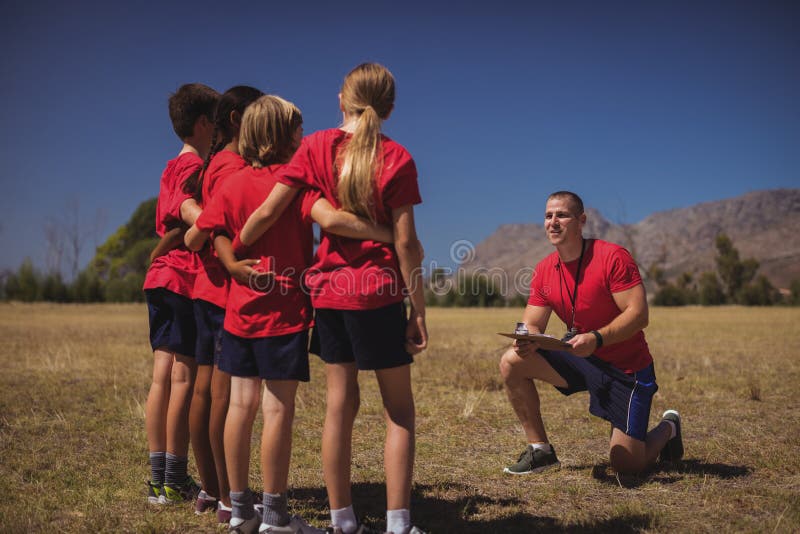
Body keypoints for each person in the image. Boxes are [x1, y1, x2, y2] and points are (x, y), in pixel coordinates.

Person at [185, 94, 395, 534]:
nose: (304, 136)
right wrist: (386, 232)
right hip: (284, 315)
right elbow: (333, 221)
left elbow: (203, 235)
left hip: (239, 314)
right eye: (298, 129)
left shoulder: (231, 184)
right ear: (284, 136)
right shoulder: (296, 183)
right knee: (278, 410)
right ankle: (276, 516)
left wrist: (232, 264)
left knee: (240, 406)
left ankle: (239, 510)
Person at [237, 63, 427, 534]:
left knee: (339, 408)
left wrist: (239, 242)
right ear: (389, 108)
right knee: (399, 412)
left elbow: (269, 209)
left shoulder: (315, 146)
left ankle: (343, 522)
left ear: (341, 101)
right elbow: (405, 243)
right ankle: (398, 525)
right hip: (380, 295)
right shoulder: (397, 157)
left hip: (329, 295)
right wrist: (418, 310)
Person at [499, 191, 683, 476]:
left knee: (627, 465)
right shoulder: (545, 269)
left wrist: (597, 338)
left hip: (626, 368)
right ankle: (541, 452)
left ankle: (669, 428)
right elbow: (533, 323)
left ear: (581, 220)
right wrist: (526, 339)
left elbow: (639, 315)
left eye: (562, 215)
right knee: (511, 360)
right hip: (581, 358)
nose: (553, 222)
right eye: (548, 216)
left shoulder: (612, 257)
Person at [185, 86, 265, 521]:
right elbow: (209, 229)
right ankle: (227, 497)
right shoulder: (233, 168)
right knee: (220, 395)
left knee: (204, 390)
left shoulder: (215, 163)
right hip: (221, 291)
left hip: (203, 288)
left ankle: (210, 490)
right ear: (237, 119)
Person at [142, 82, 219, 504]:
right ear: (205, 123)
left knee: (162, 378)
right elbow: (185, 210)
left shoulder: (170, 165)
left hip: (159, 278)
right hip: (182, 277)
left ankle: (159, 478)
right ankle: (174, 477)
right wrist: (213, 219)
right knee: (184, 377)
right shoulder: (194, 169)